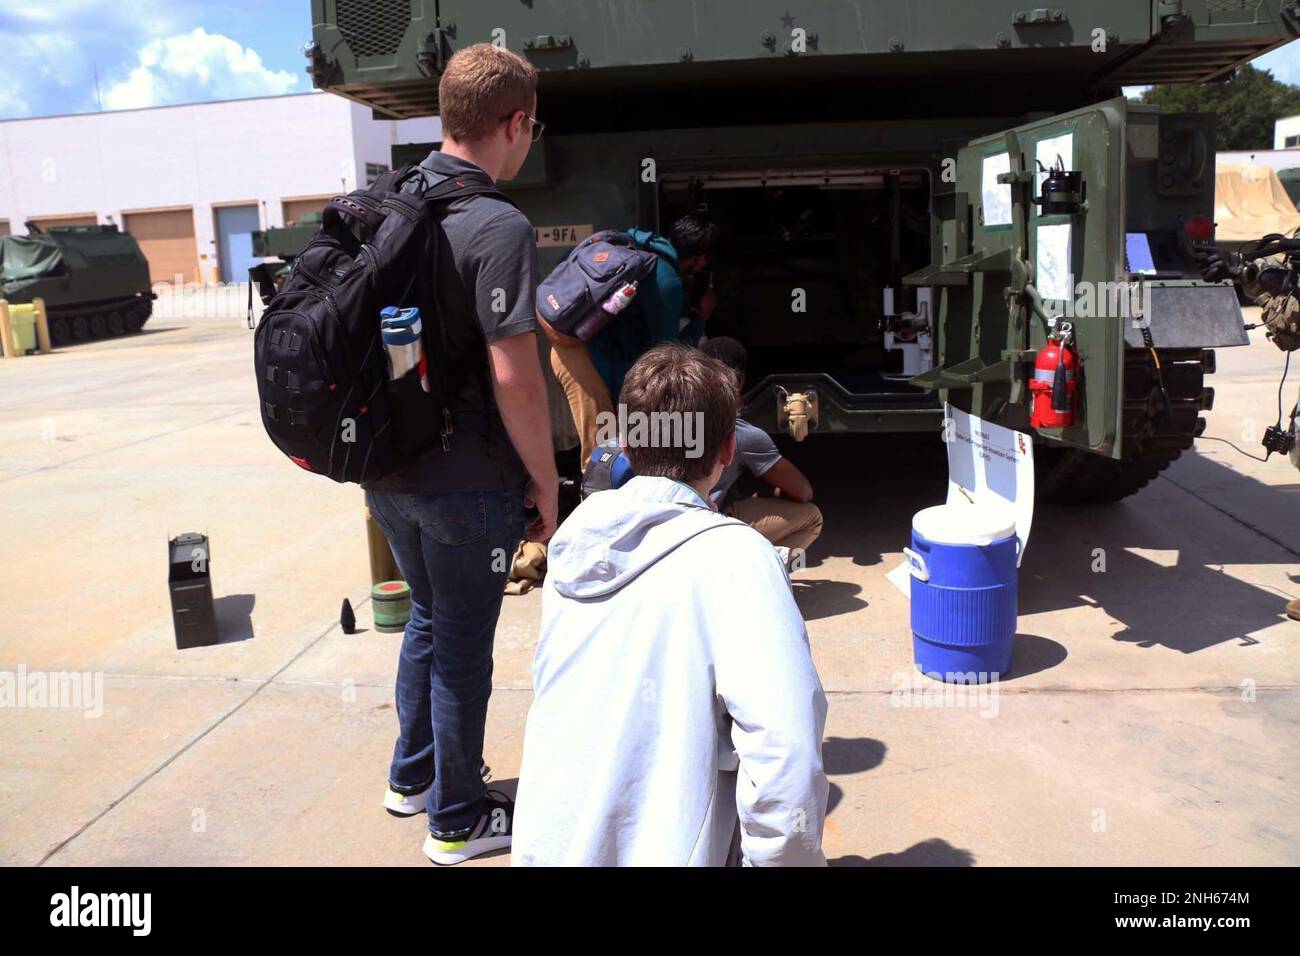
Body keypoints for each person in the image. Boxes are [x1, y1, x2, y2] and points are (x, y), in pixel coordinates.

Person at [513, 343, 828, 866]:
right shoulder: (738, 557)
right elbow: (786, 756)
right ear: (728, 452)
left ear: (629, 446)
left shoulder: (573, 544)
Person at [361, 43, 558, 866]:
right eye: (531, 127)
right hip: (464, 484)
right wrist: (548, 483)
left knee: (429, 623)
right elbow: (516, 379)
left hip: (386, 470)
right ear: (514, 123)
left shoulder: (385, 203)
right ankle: (457, 818)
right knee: (463, 647)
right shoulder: (498, 223)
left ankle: (411, 779)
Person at [548, 214, 721, 463]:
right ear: (700, 259)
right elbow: (667, 355)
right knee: (602, 454)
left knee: (613, 447)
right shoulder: (665, 279)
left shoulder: (634, 245)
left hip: (575, 348)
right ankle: (597, 498)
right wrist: (701, 319)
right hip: (583, 360)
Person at [698, 336, 823, 564]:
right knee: (811, 517)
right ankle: (755, 578)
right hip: (704, 528)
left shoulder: (667, 414)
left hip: (658, 525)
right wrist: (772, 491)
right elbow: (803, 491)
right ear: (741, 380)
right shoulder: (742, 434)